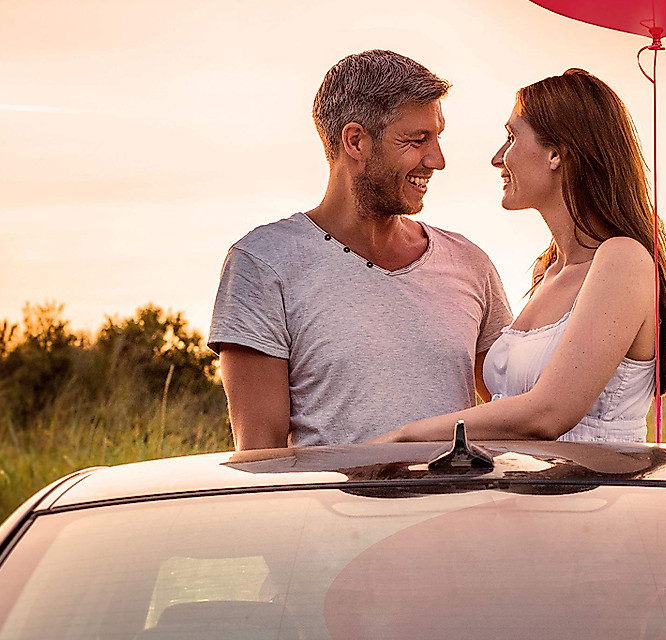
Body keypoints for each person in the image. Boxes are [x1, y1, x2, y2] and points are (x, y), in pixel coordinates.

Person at [372, 68, 666, 445]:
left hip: (593, 500)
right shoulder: (547, 271)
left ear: (556, 153)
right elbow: (507, 407)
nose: (498, 158)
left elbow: (547, 413)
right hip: (530, 498)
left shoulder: (622, 259)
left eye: (511, 137)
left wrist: (405, 436)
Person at [208, 50, 513, 449]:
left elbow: (516, 412)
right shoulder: (263, 265)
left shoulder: (470, 264)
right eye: (417, 140)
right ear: (355, 140)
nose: (437, 160)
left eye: (438, 137)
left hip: (456, 511)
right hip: (323, 512)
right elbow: (261, 456)